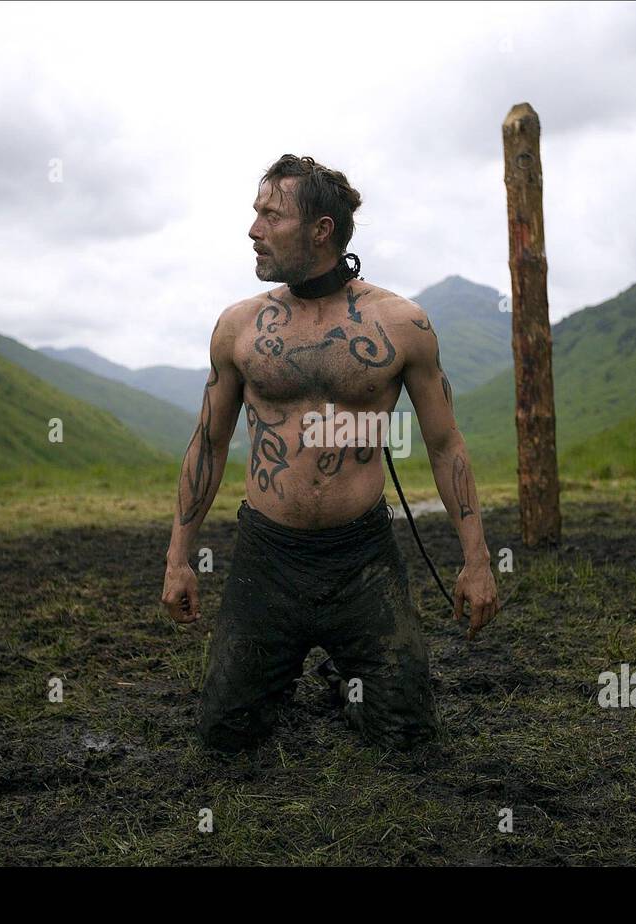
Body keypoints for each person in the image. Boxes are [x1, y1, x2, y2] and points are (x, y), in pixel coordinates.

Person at [161, 154, 498, 753]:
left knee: (407, 737)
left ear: (321, 229)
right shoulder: (238, 327)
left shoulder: (402, 324)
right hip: (268, 554)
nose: (253, 231)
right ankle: (302, 667)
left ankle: (349, 676)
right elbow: (208, 443)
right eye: (255, 214)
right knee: (226, 739)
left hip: (362, 557)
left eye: (271, 216)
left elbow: (446, 445)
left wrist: (476, 561)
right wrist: (178, 558)